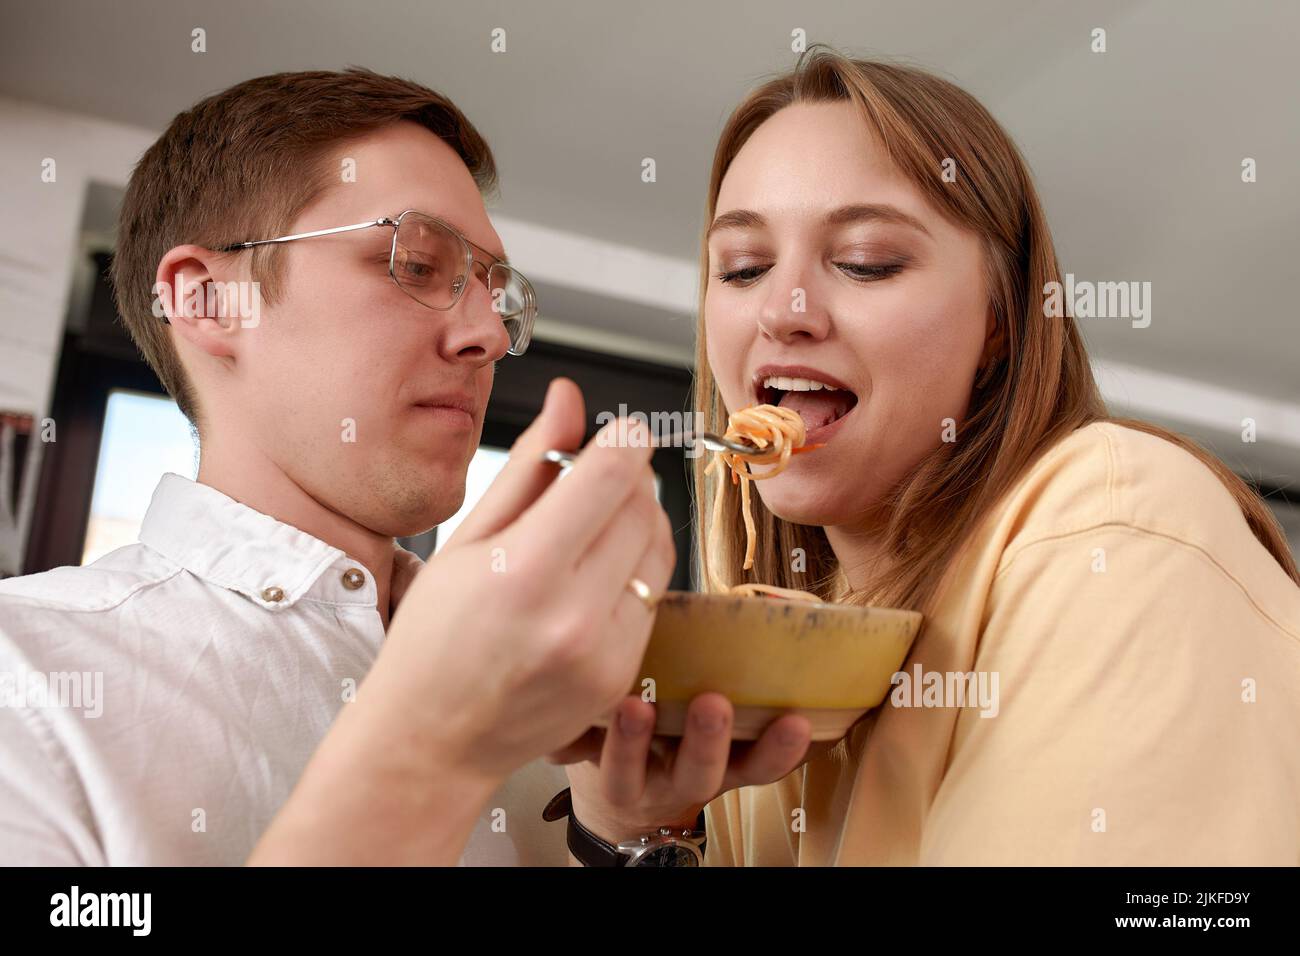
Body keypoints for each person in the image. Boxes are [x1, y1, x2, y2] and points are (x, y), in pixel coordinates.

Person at [0, 68, 809, 866]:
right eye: (416, 266)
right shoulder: (27, 678)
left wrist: (618, 839)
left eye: (497, 294)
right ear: (210, 303)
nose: (489, 336)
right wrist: (430, 745)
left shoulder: (560, 708)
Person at [559, 46, 1300, 865]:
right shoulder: (779, 658)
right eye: (743, 268)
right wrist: (627, 832)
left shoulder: (1113, 528)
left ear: (1001, 322)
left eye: (865, 262)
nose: (784, 309)